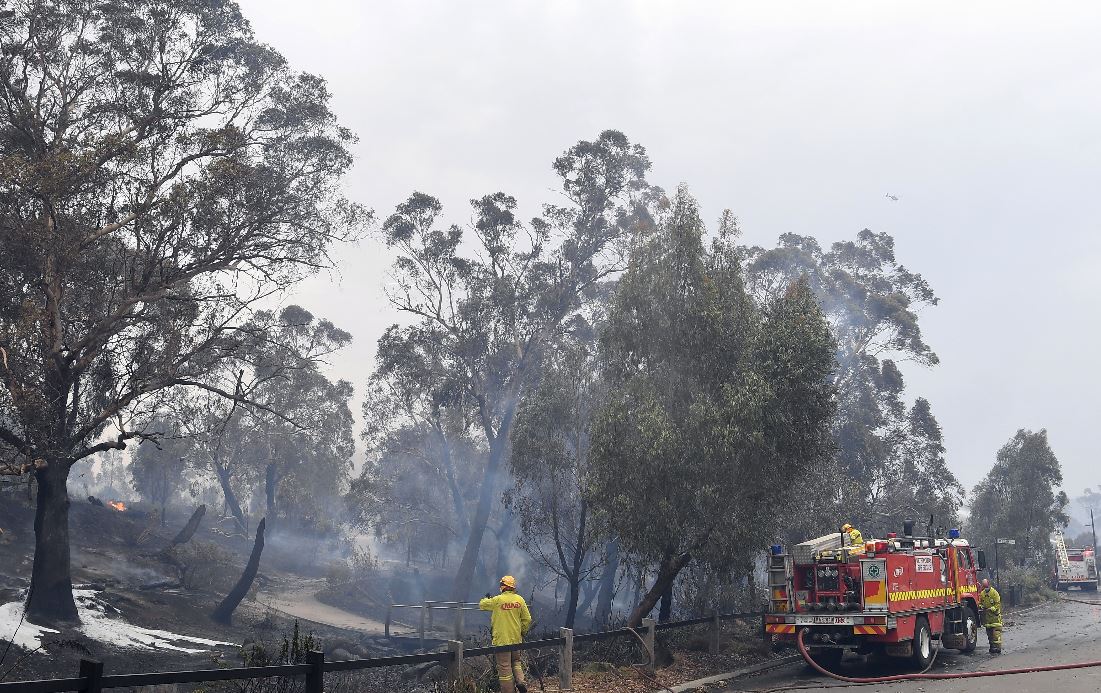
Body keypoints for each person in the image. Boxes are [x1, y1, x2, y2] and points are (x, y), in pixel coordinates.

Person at [479, 575, 532, 693]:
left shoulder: (498, 600)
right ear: (513, 587)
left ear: (503, 587)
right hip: (516, 639)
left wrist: (486, 598)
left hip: (502, 641)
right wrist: (522, 631)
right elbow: (527, 619)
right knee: (516, 662)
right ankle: (521, 682)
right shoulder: (520, 600)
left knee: (504, 667)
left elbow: (482, 605)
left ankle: (508, 691)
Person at [978, 578, 1003, 654]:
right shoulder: (982, 594)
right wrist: (981, 606)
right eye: (984, 586)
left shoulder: (994, 593)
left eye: (986, 586)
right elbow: (980, 603)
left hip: (995, 617)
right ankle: (992, 647)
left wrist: (992, 609)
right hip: (987, 618)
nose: (985, 588)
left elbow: (998, 604)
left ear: (989, 585)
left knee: (996, 634)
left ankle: (998, 648)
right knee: (989, 634)